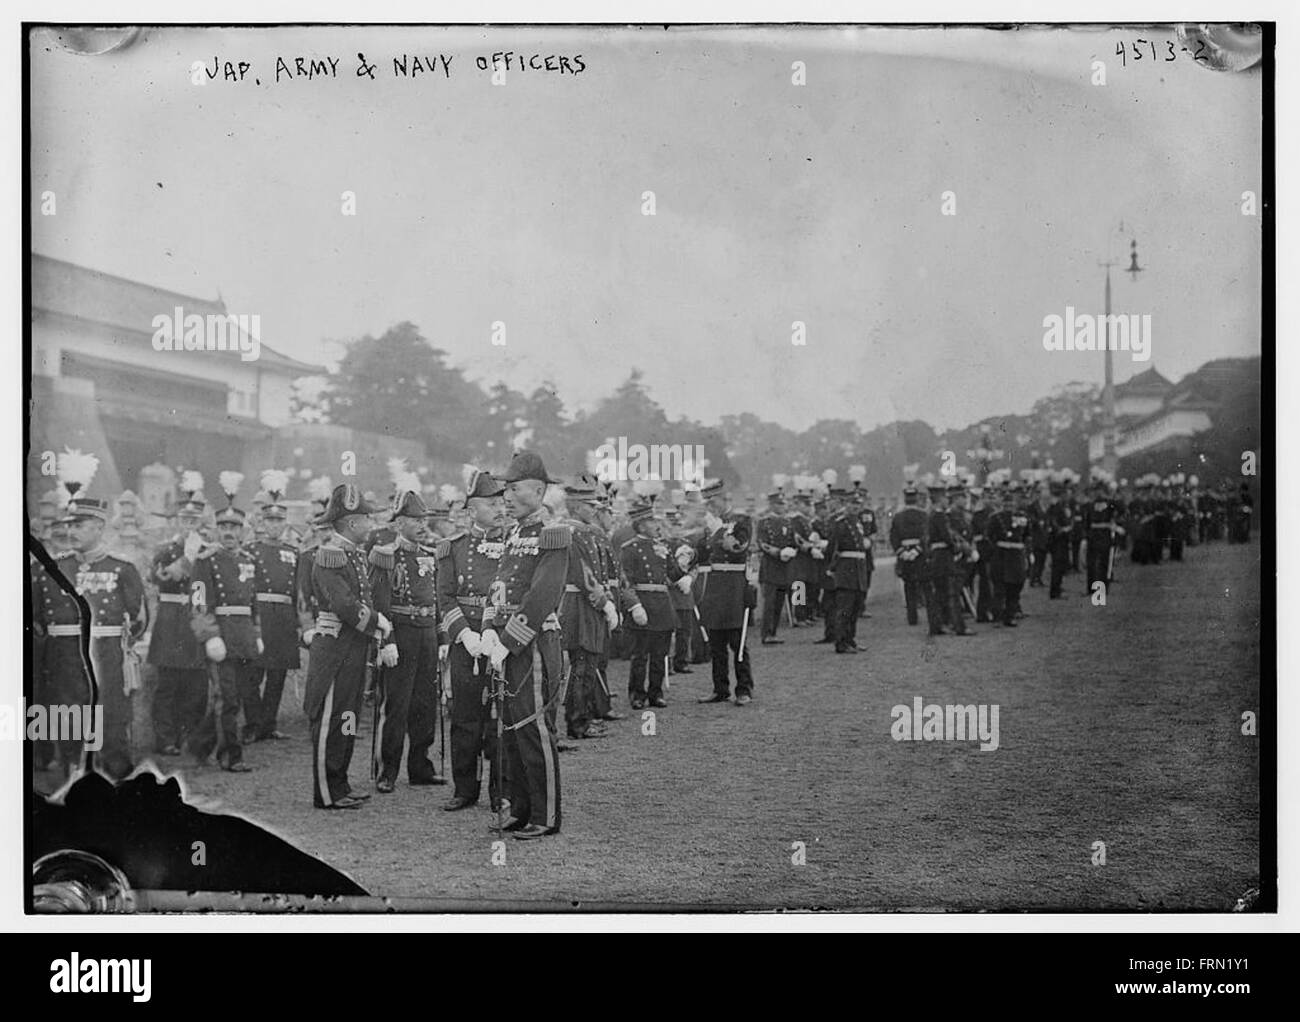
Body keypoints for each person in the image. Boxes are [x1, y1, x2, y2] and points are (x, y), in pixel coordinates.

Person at [478, 451, 569, 840]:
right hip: (505, 642)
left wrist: (508, 641)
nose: (507, 497)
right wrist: (487, 630)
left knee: (533, 727)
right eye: (506, 490)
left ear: (538, 489)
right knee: (513, 728)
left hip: (529, 643)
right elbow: (498, 587)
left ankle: (545, 815)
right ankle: (522, 807)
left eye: (514, 489)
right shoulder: (513, 533)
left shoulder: (552, 532)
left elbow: (542, 595)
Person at [32, 493, 148, 780]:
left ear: (99, 526)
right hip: (64, 656)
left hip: (107, 655)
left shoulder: (122, 569)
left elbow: (139, 619)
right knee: (68, 712)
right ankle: (73, 769)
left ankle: (114, 773)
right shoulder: (49, 568)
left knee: (110, 713)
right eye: (69, 525)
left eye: (79, 525)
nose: (71, 531)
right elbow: (34, 617)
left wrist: (122, 648)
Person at [303, 484, 395, 810]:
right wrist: (377, 623)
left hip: (353, 649)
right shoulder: (330, 556)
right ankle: (327, 792)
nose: (371, 525)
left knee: (348, 717)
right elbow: (343, 603)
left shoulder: (353, 555)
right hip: (335, 650)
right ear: (352, 523)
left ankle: (340, 782)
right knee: (330, 719)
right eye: (366, 519)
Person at [436, 468, 509, 812]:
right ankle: (465, 789)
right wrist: (463, 634)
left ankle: (501, 791)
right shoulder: (452, 548)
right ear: (471, 510)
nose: (499, 508)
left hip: (503, 643)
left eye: (501, 502)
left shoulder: (516, 543)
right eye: (490, 503)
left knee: (501, 719)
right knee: (466, 718)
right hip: (467, 643)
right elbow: (445, 598)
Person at [372, 487, 444, 792]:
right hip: (401, 633)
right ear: (398, 522)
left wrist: (441, 637)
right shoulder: (386, 556)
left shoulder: (430, 555)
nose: (420, 524)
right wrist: (385, 641)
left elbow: (438, 599)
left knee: (425, 705)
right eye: (414, 519)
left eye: (423, 518)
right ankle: (387, 771)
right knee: (397, 705)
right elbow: (379, 601)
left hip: (427, 633)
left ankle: (420, 767)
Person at [188, 494, 262, 773]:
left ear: (242, 531)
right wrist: (209, 635)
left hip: (243, 636)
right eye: (224, 528)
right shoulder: (206, 560)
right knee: (227, 697)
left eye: (234, 528)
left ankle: (199, 743)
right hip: (220, 635)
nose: (229, 533)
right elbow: (198, 602)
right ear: (217, 530)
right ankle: (231, 755)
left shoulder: (247, 559)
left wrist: (257, 634)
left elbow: (253, 603)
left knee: (233, 697)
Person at [558, 474, 623, 740]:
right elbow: (585, 576)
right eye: (589, 505)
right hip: (581, 605)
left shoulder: (579, 531)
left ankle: (582, 719)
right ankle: (578, 723)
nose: (594, 510)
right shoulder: (576, 533)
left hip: (583, 604)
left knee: (585, 665)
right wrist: (605, 602)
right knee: (582, 666)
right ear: (574, 506)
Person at [147, 488, 210, 757]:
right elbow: (161, 578)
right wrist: (188, 557)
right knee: (167, 686)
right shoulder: (165, 550)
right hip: (171, 622)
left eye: (194, 520)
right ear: (176, 521)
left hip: (197, 621)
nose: (189, 524)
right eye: (185, 519)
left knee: (196, 686)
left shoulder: (209, 551)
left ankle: (190, 737)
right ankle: (165, 738)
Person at [620, 500, 688, 709]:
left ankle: (656, 693)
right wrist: (634, 605)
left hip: (662, 605)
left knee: (660, 654)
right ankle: (637, 694)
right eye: (651, 521)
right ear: (640, 525)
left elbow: (671, 574)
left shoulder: (662, 546)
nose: (656, 525)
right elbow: (625, 581)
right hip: (643, 604)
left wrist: (685, 565)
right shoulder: (629, 549)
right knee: (640, 655)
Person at [245, 485, 300, 742]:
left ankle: (269, 724)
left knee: (277, 675)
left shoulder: (292, 552)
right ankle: (253, 724)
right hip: (261, 616)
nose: (275, 526)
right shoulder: (251, 551)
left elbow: (298, 590)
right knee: (254, 674)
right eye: (270, 521)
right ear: (262, 522)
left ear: (285, 524)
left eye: (279, 521)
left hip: (284, 618)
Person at [695, 481, 755, 705]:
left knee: (737, 642)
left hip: (734, 587)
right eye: (708, 502)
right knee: (716, 643)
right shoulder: (711, 524)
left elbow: (737, 546)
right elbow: (702, 554)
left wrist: (718, 529)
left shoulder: (742, 521)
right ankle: (720, 689)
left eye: (713, 501)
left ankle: (743, 689)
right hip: (715, 587)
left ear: (725, 499)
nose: (710, 506)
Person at [824, 487, 871, 651]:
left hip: (858, 569)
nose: (855, 507)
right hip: (846, 569)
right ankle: (841, 642)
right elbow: (832, 547)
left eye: (857, 504)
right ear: (845, 504)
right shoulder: (841, 523)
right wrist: (831, 567)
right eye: (852, 504)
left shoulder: (857, 522)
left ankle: (850, 639)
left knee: (855, 607)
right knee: (845, 609)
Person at [756, 490, 797, 644]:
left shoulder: (788, 522)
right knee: (769, 603)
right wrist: (779, 552)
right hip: (770, 567)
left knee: (779, 602)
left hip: (784, 568)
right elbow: (762, 544)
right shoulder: (764, 522)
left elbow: (793, 541)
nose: (781, 507)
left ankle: (773, 632)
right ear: (771, 505)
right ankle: (766, 634)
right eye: (778, 504)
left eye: (783, 504)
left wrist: (792, 551)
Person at [889, 482, 929, 627]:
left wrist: (902, 552)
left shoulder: (898, 517)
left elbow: (893, 537)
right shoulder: (924, 515)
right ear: (916, 498)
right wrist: (917, 550)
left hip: (905, 554)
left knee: (909, 587)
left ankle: (912, 617)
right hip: (920, 555)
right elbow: (926, 536)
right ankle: (930, 617)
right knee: (925, 585)